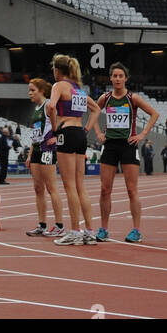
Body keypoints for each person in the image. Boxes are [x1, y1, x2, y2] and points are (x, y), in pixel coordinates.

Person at [90, 63, 159, 244]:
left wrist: (143, 134)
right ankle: (104, 229)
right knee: (105, 190)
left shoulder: (132, 98)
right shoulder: (105, 98)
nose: (118, 79)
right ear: (111, 78)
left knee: (131, 190)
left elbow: (154, 114)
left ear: (126, 78)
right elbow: (93, 112)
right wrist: (97, 132)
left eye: (121, 76)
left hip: (128, 145)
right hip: (110, 146)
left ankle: (136, 230)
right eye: (115, 76)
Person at [46, 53, 101, 246]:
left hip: (66, 133)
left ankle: (75, 231)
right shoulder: (78, 89)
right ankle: (89, 231)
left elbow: (52, 106)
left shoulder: (59, 85)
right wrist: (87, 127)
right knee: (80, 186)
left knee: (69, 186)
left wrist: (54, 128)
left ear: (57, 70)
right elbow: (97, 109)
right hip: (80, 134)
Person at [24, 77, 63, 239]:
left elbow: (62, 121)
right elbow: (35, 134)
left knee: (51, 187)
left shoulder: (48, 106)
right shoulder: (36, 108)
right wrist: (29, 154)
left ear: (41, 91)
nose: (30, 93)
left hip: (47, 150)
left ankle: (59, 225)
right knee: (38, 189)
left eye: (32, 90)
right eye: (29, 90)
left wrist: (57, 135)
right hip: (37, 150)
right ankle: (41, 224)